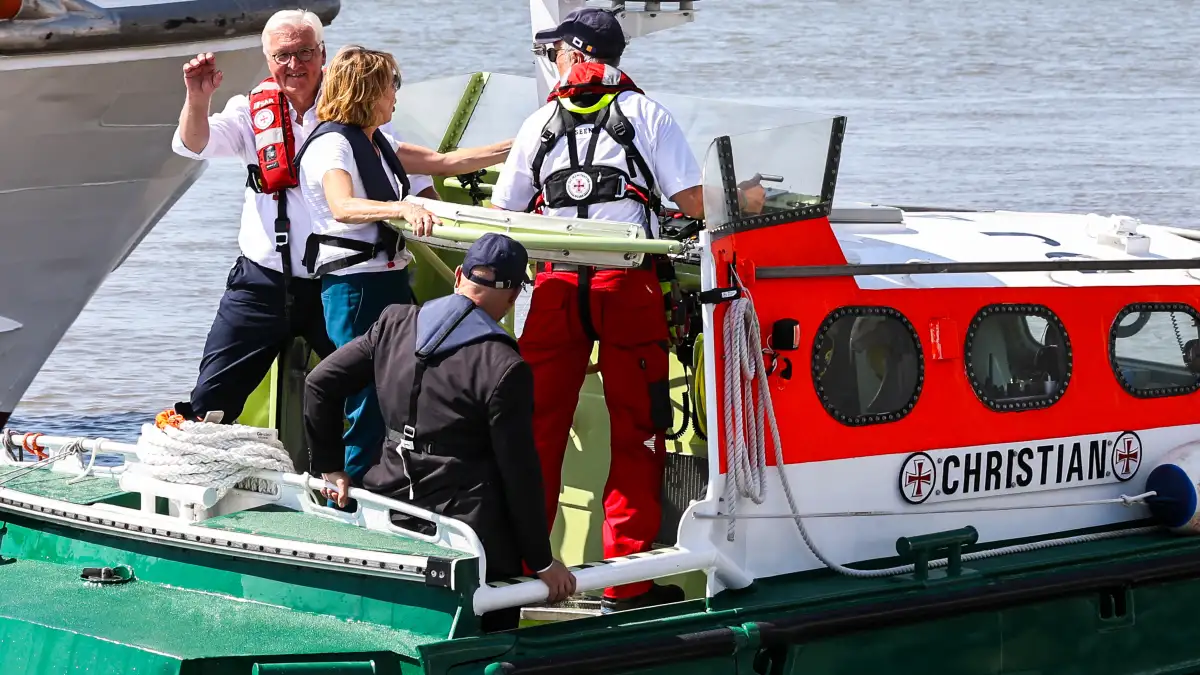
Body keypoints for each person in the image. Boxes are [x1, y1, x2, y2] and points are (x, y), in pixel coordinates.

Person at [490, 7, 764, 613]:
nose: (553, 61)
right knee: (636, 434)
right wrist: (747, 195)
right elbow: (693, 201)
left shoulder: (537, 122)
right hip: (626, 287)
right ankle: (626, 585)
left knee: (536, 433)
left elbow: (506, 211)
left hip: (556, 290)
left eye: (555, 51)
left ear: (576, 53)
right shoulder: (647, 114)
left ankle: (519, 572)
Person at [170, 9, 510, 428]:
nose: (294, 65)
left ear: (323, 52)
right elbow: (194, 144)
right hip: (262, 281)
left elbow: (424, 168)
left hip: (335, 283)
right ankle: (203, 465)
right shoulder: (249, 113)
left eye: (305, 52)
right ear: (268, 58)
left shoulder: (356, 109)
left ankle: (352, 480)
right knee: (211, 398)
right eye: (282, 56)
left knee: (378, 384)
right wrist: (198, 97)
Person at [305, 233, 577, 632]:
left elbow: (319, 384)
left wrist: (330, 468)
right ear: (515, 295)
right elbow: (519, 473)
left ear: (458, 276)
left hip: (389, 509)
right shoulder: (504, 366)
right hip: (468, 534)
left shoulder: (394, 321)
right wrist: (541, 561)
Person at [294, 44, 441, 490]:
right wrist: (400, 208)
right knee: (365, 390)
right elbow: (342, 205)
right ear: (369, 89)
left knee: (399, 380)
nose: (397, 94)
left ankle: (386, 476)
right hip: (355, 287)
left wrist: (521, 143)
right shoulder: (333, 145)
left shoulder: (377, 142)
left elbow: (445, 163)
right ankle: (350, 484)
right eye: (391, 84)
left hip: (389, 277)